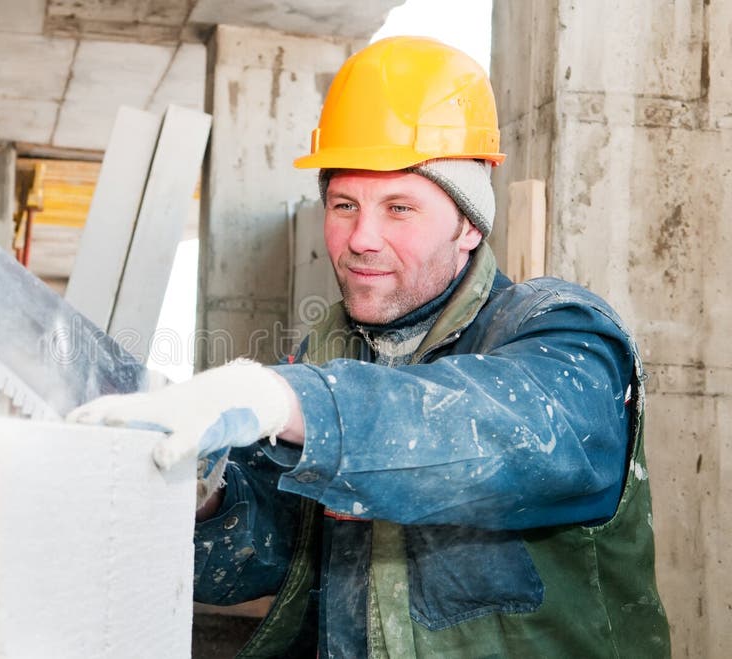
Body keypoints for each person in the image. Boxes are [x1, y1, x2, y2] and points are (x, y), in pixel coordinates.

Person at [70, 36, 670, 657]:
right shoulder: (328, 357)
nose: (361, 238)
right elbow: (264, 557)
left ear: (469, 225)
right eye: (344, 204)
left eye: (400, 207)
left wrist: (283, 398)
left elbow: (514, 433)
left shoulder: (559, 333)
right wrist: (203, 496)